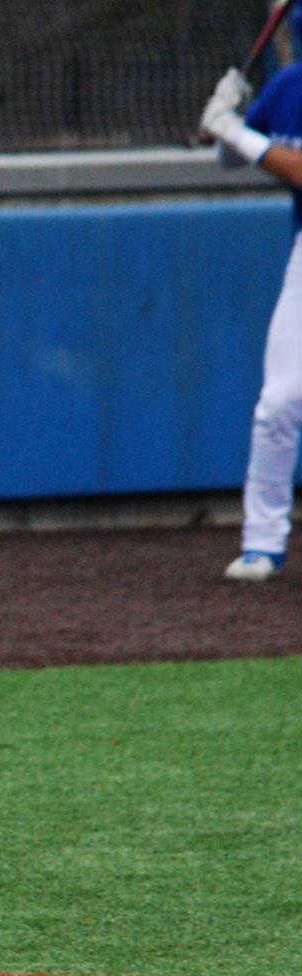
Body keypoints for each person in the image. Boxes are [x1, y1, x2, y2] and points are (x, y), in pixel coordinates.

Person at [200, 13, 302, 581]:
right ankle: (263, 544)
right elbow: (234, 158)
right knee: (280, 402)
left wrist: (236, 132)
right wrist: (225, 116)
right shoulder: (289, 86)